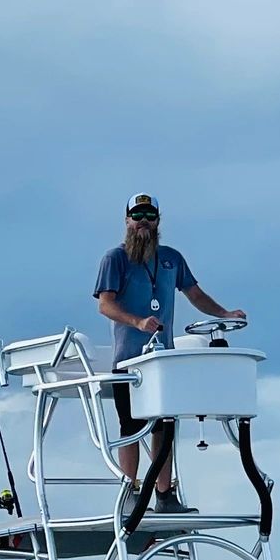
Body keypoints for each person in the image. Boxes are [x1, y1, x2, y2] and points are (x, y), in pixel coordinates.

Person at [93, 193, 244, 505]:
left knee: (164, 429)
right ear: (127, 221)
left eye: (149, 215)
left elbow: (195, 294)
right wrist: (136, 321)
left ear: (158, 221)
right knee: (130, 428)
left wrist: (225, 314)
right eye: (138, 216)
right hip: (129, 363)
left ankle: (164, 493)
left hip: (163, 362)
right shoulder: (114, 258)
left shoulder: (171, 258)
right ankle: (130, 493)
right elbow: (105, 305)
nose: (143, 222)